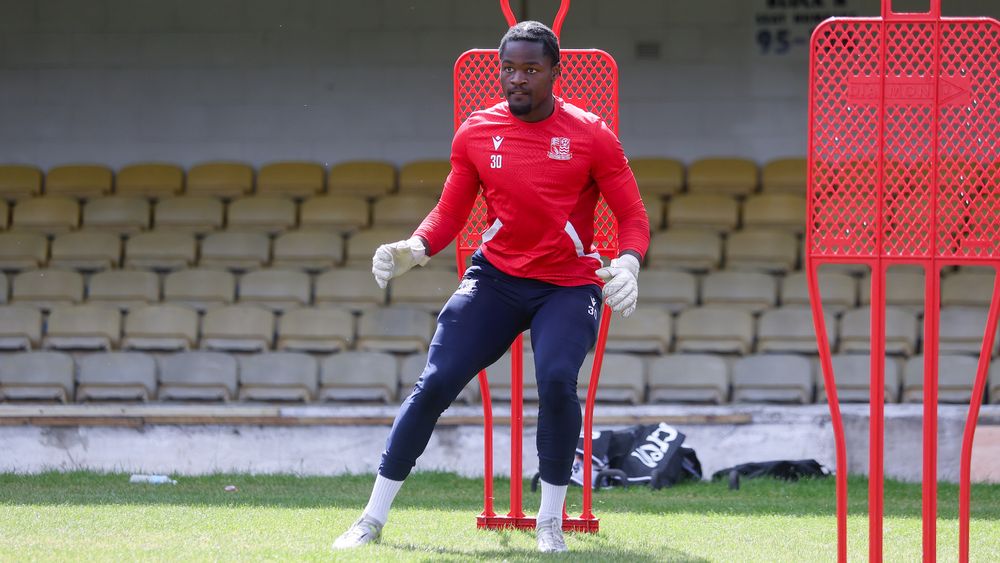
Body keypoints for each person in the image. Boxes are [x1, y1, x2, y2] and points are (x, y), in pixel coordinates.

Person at [333, 20, 649, 554]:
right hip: (496, 276)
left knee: (554, 381)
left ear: (554, 71)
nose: (517, 79)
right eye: (508, 68)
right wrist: (414, 248)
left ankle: (550, 522)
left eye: (530, 69)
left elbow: (633, 216)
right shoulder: (477, 132)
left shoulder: (591, 134)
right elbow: (451, 210)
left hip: (568, 284)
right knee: (435, 382)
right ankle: (371, 519)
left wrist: (629, 264)